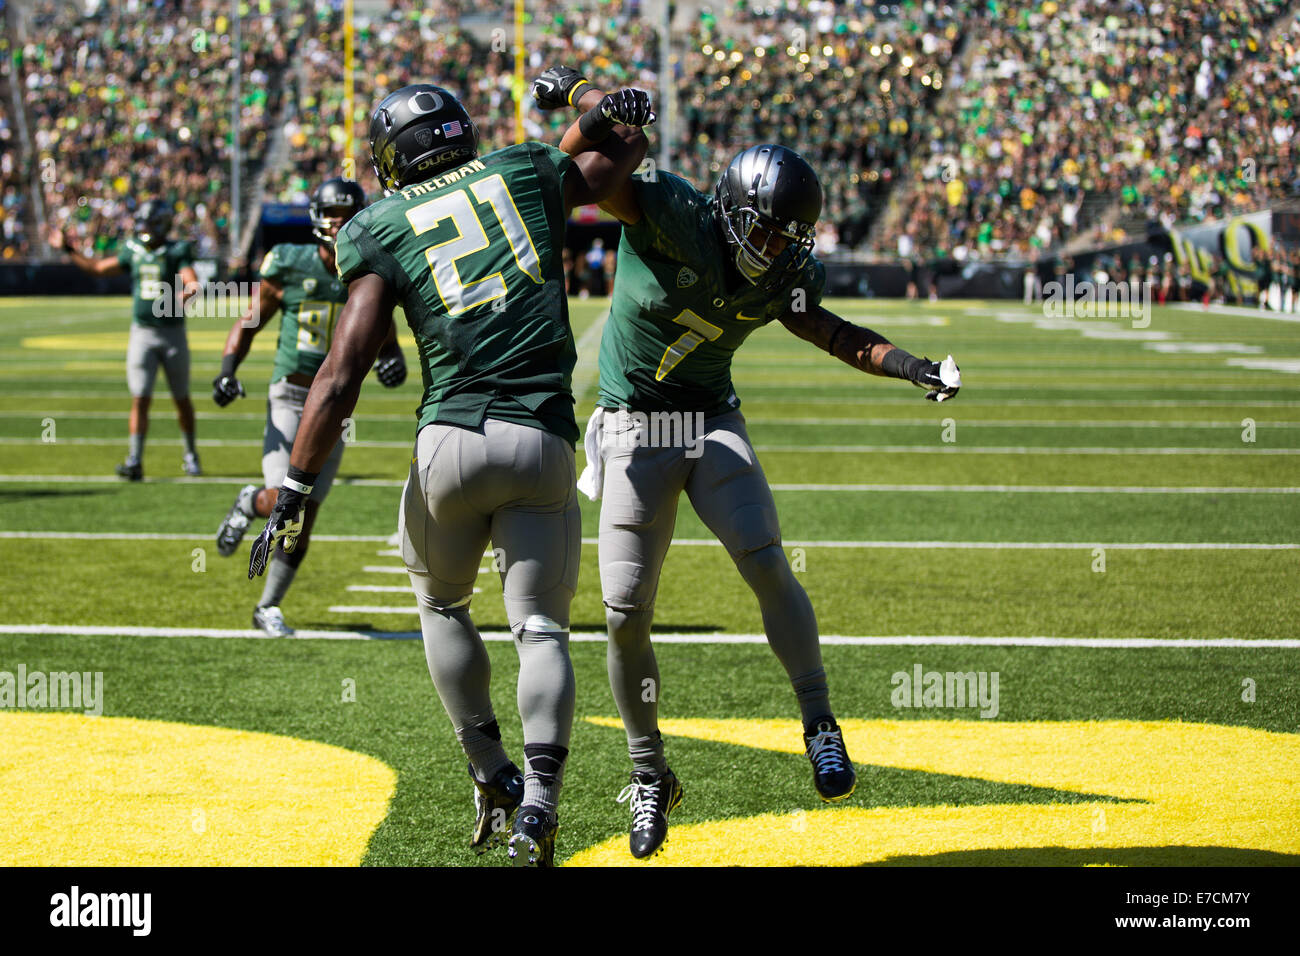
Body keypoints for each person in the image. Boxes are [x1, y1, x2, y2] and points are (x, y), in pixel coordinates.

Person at [543, 74, 962, 860]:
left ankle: (820, 723)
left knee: (766, 559)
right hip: (636, 423)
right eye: (767, 231)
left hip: (710, 420)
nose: (776, 248)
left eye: (787, 238)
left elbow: (836, 333)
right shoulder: (669, 210)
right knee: (625, 612)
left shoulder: (782, 273)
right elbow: (596, 161)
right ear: (733, 210)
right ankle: (647, 771)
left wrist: (913, 367)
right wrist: (582, 94)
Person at [248, 80, 655, 866]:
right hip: (541, 438)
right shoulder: (522, 168)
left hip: (450, 442)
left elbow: (341, 373)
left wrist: (295, 487)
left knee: (440, 602)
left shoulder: (378, 223)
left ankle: (489, 767)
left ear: (391, 158)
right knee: (540, 626)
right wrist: (589, 100)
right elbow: (621, 153)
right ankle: (541, 797)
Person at [212, 177, 407, 638]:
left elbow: (383, 328)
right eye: (331, 214)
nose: (338, 223)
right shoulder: (290, 262)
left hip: (336, 404)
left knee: (305, 513)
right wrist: (227, 369)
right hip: (292, 392)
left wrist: (392, 358)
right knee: (284, 498)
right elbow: (251, 320)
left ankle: (268, 605)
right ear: (318, 218)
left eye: (346, 213)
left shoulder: (366, 267)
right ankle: (249, 501)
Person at [50, 201, 201, 479]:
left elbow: (192, 281)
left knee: (181, 399)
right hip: (142, 333)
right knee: (140, 398)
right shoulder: (133, 249)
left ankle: (191, 455)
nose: (144, 228)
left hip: (171, 335)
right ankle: (135, 460)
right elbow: (97, 268)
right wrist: (68, 249)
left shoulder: (176, 250)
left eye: (150, 223)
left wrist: (186, 293)